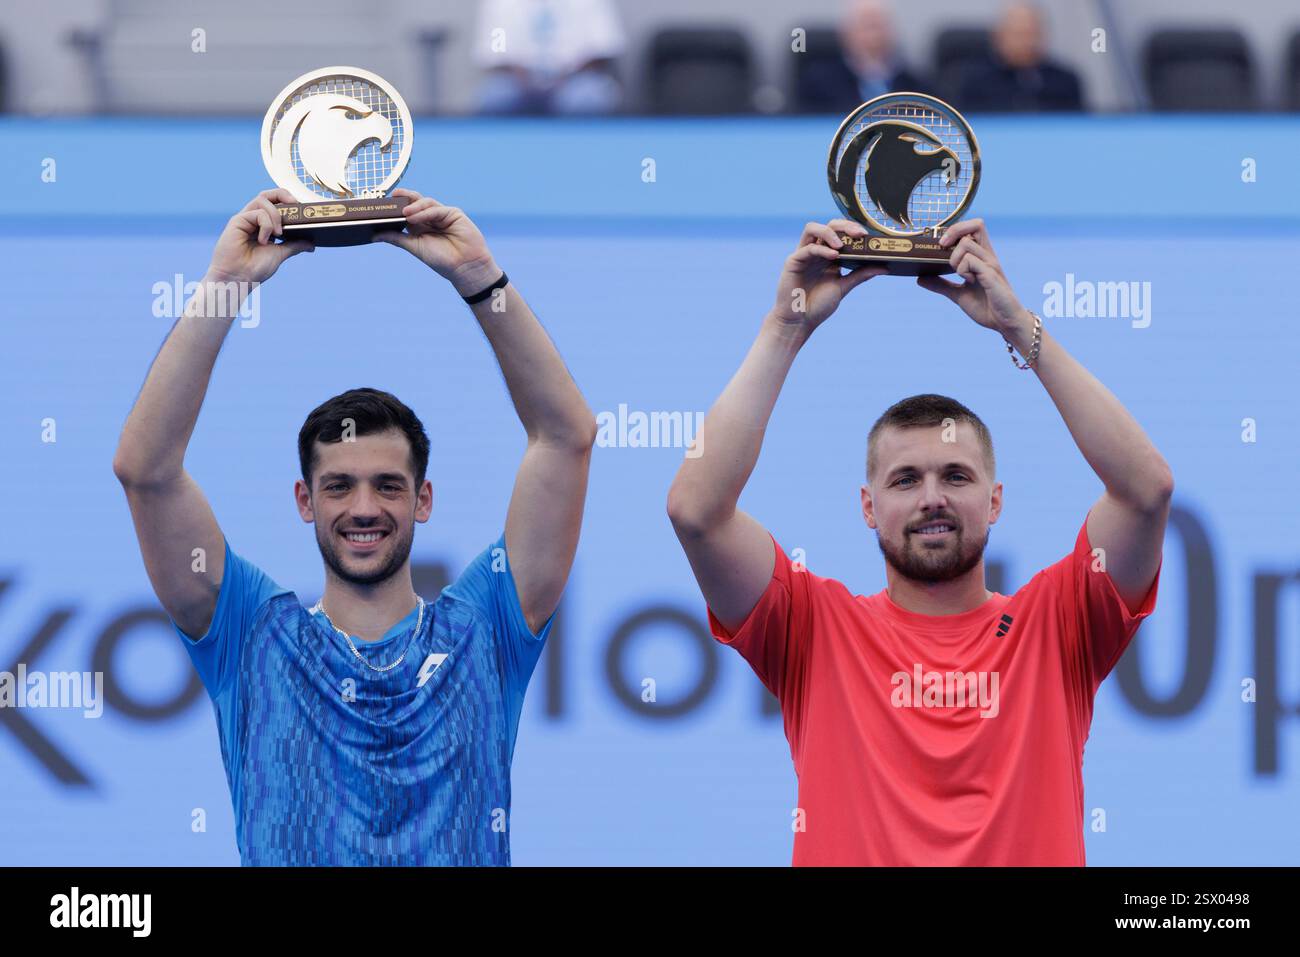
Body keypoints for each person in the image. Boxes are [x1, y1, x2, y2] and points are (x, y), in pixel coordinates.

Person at [112, 187, 597, 865]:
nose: (364, 507)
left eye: (388, 485)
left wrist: (480, 279)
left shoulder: (485, 628)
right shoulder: (250, 633)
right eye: (338, 485)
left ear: (423, 499)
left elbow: (566, 438)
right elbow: (146, 470)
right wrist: (224, 288)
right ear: (305, 501)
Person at [666, 217, 1170, 865]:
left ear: (995, 500)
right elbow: (695, 509)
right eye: (906, 479)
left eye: (956, 474)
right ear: (868, 507)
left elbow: (1146, 489)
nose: (932, 495)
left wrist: (1023, 329)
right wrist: (784, 327)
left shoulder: (1059, 622)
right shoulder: (814, 628)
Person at [474, 0, 625, 115]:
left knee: (585, 98)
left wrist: (565, 77)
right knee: (497, 96)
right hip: (518, 80)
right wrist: (522, 77)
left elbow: (601, 50)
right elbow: (494, 53)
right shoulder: (498, 3)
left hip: (573, 78)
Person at [798, 0, 930, 113]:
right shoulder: (819, 84)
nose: (874, 36)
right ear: (846, 33)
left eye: (880, 26)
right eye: (867, 26)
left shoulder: (915, 84)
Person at [959, 2, 1084, 112]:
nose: (1027, 42)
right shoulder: (975, 81)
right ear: (998, 36)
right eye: (1018, 34)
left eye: (1032, 34)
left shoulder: (1065, 81)